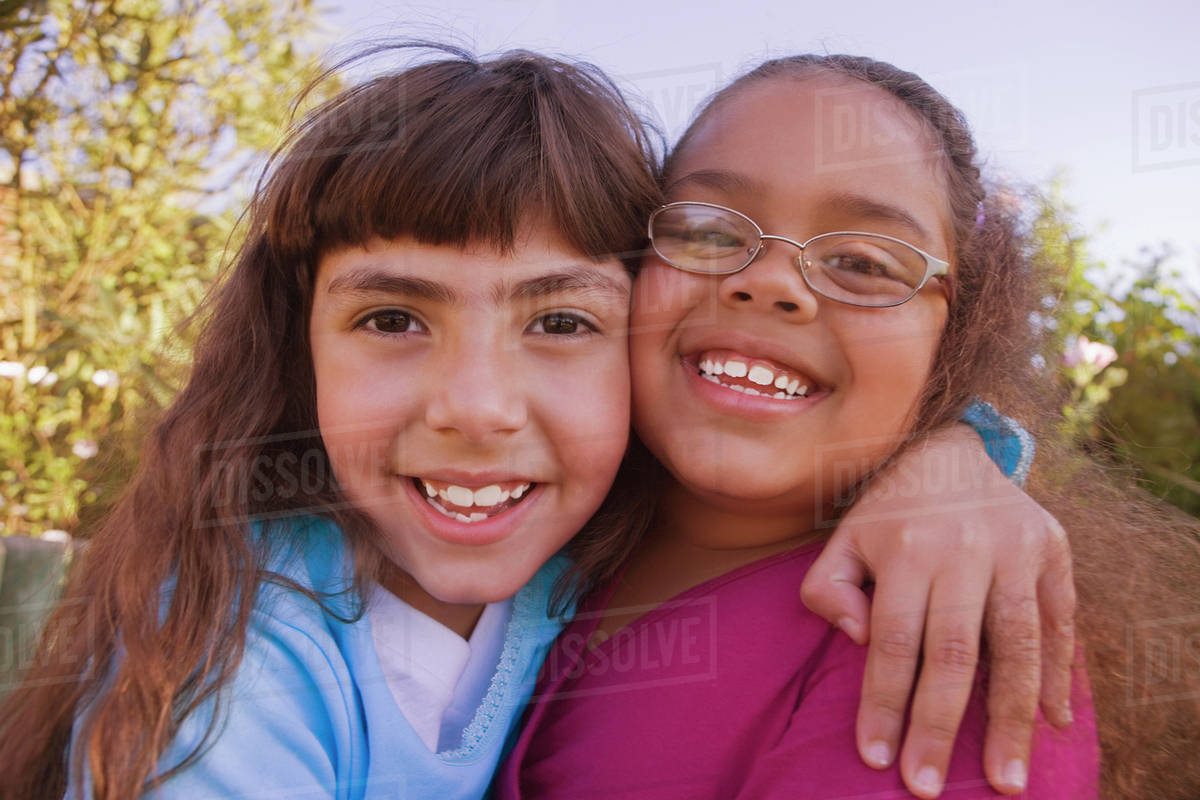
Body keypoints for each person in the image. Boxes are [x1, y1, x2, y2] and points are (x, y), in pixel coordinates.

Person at [0, 46, 1076, 800]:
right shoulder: (247, 662)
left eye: (560, 322)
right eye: (391, 319)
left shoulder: (934, 632)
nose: (476, 406)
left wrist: (965, 458)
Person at [497, 54, 1200, 799]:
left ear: (953, 337)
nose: (768, 281)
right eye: (707, 230)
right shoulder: (520, 512)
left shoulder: (942, 641)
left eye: (863, 264)